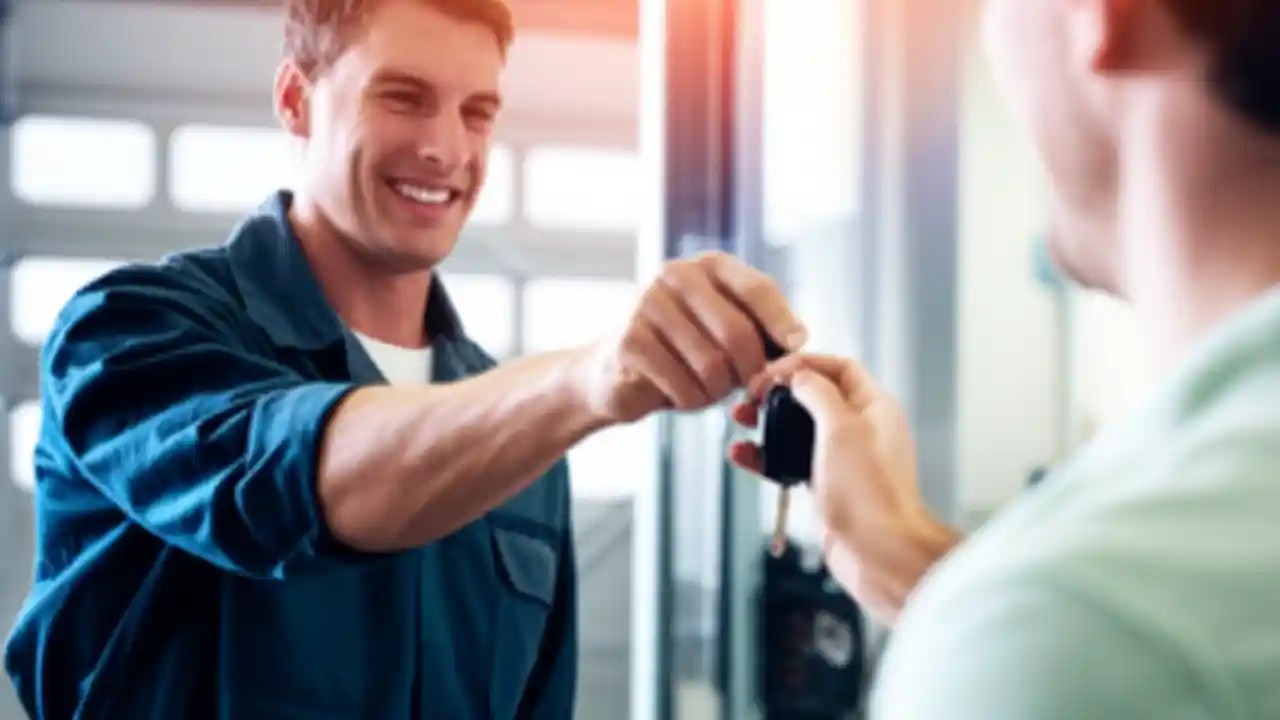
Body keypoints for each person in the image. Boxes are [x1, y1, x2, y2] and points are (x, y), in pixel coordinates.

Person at [2, 0, 806, 718]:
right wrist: (587, 378)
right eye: (403, 97)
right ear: (295, 99)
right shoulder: (128, 335)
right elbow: (296, 481)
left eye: (478, 113)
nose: (445, 148)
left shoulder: (523, 441)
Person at [732, 0, 1280, 717]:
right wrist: (912, 557)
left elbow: (1096, 645)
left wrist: (1003, 613)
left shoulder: (1067, 630)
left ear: (1100, 14)